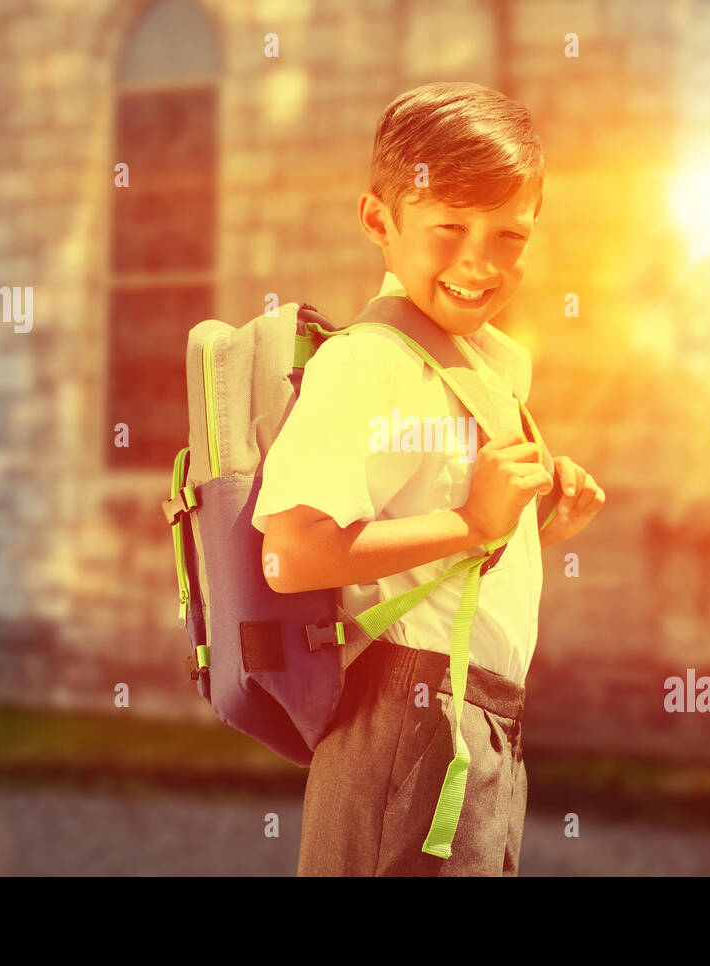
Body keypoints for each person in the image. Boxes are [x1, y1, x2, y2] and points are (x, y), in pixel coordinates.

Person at [253, 81, 605, 876]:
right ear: (380, 220)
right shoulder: (369, 362)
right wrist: (478, 522)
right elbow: (292, 553)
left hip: (475, 720)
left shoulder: (475, 365)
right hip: (411, 721)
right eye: (449, 228)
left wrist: (529, 518)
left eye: (510, 235)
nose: (480, 261)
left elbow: (439, 538)